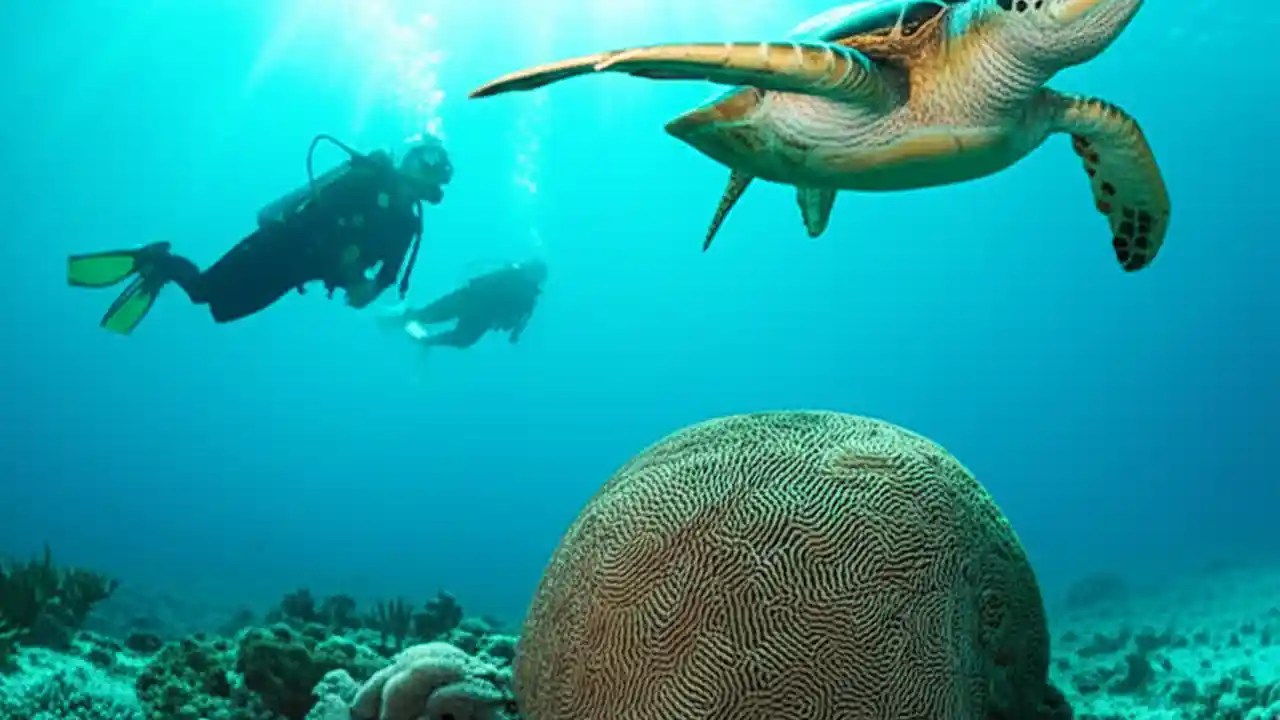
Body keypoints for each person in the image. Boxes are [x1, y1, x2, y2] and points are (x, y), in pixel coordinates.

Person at [66, 132, 454, 334]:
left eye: (440, 167)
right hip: (281, 243)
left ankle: (159, 267)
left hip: (296, 273)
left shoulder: (407, 227)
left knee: (222, 310)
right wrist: (348, 261)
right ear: (409, 159)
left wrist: (360, 288)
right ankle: (156, 260)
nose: (431, 169)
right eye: (426, 159)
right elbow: (322, 212)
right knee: (204, 292)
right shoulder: (367, 180)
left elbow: (382, 283)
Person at [383, 259, 548, 349]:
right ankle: (393, 322)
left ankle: (425, 340)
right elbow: (521, 322)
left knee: (462, 339)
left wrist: (515, 334)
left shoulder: (528, 297)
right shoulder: (513, 276)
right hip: (469, 301)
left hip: (481, 315)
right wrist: (514, 333)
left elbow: (522, 321)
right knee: (429, 316)